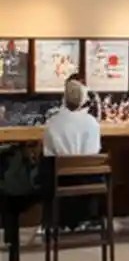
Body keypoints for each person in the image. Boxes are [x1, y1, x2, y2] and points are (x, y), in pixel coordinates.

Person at [43, 80, 103, 230]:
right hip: (88, 181)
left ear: (64, 98)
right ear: (84, 100)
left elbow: (48, 151)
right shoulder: (92, 123)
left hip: (59, 181)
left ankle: (54, 222)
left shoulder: (52, 123)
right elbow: (94, 150)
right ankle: (91, 219)